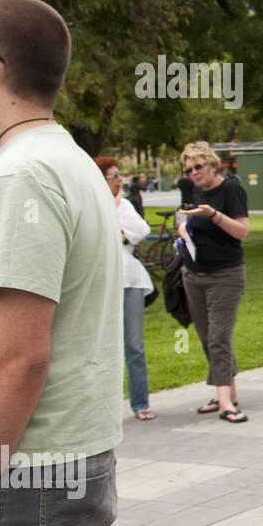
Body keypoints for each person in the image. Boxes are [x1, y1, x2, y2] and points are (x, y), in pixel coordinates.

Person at [0, 0, 123, 526]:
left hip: (23, 473)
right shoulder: (69, 160)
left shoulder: (20, 175)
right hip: (72, 461)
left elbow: (20, 357)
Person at [177, 140, 250, 424]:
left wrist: (213, 215)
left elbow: (242, 231)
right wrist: (184, 227)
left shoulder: (231, 188)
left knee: (219, 338)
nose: (194, 172)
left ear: (212, 165)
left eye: (198, 166)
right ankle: (229, 392)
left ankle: (224, 403)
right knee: (208, 337)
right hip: (194, 273)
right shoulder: (193, 191)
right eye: (189, 169)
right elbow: (189, 219)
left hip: (225, 274)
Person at [94, 157, 155, 421]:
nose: (119, 179)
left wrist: (120, 224)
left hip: (130, 280)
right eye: (113, 175)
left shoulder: (125, 205)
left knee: (134, 345)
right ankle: (102, 408)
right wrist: (116, 233)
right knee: (101, 348)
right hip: (101, 284)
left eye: (120, 175)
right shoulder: (92, 204)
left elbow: (141, 230)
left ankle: (140, 402)